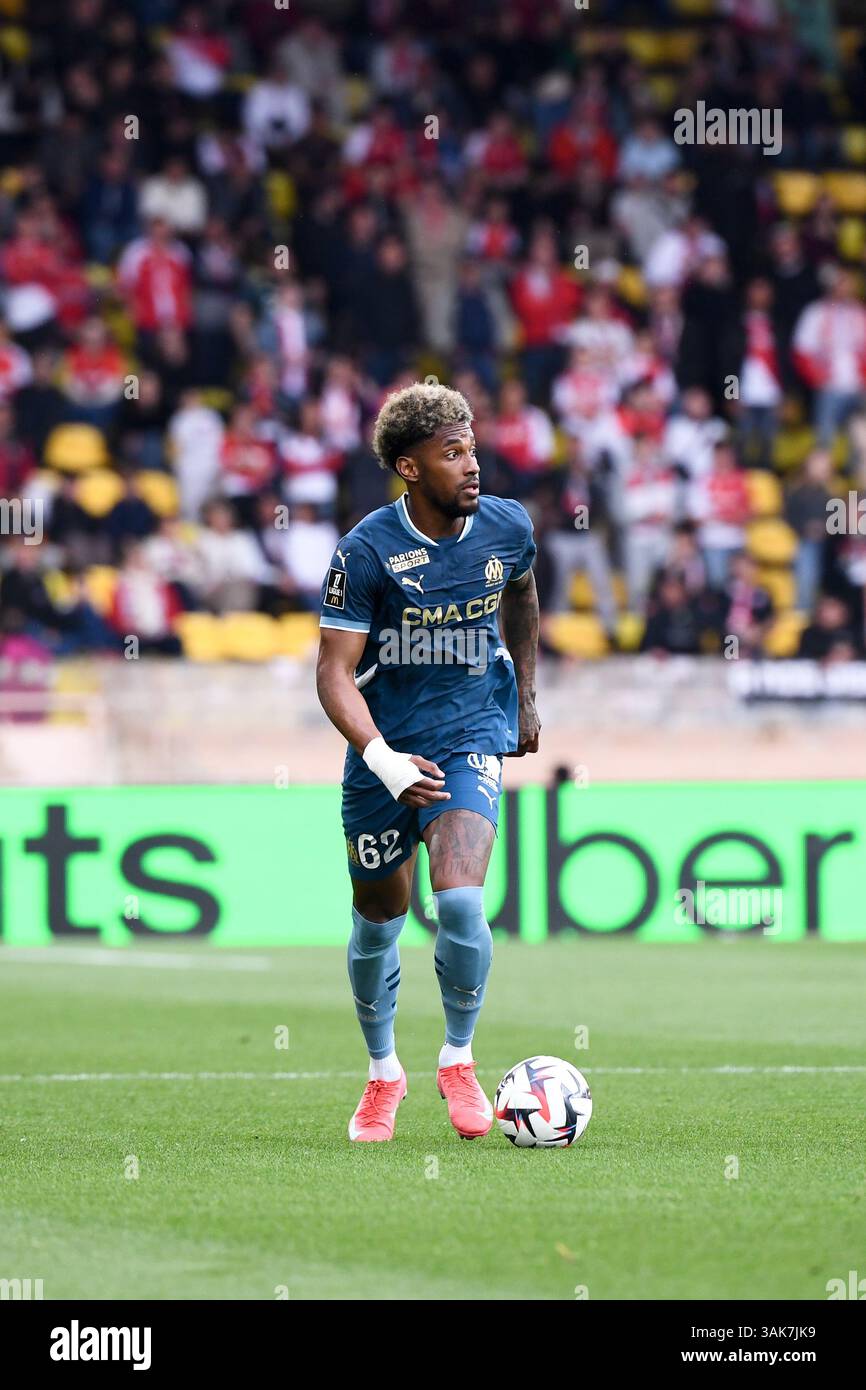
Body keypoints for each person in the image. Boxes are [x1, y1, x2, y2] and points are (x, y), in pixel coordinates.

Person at [316, 382, 540, 1143]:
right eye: (452, 454)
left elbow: (523, 596)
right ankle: (384, 1074)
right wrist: (381, 761)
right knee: (378, 922)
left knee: (462, 904)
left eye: (472, 448)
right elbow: (332, 674)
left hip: (469, 730)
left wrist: (528, 700)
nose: (471, 466)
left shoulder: (506, 526)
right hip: (385, 750)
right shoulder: (366, 550)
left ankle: (458, 1059)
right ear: (409, 468)